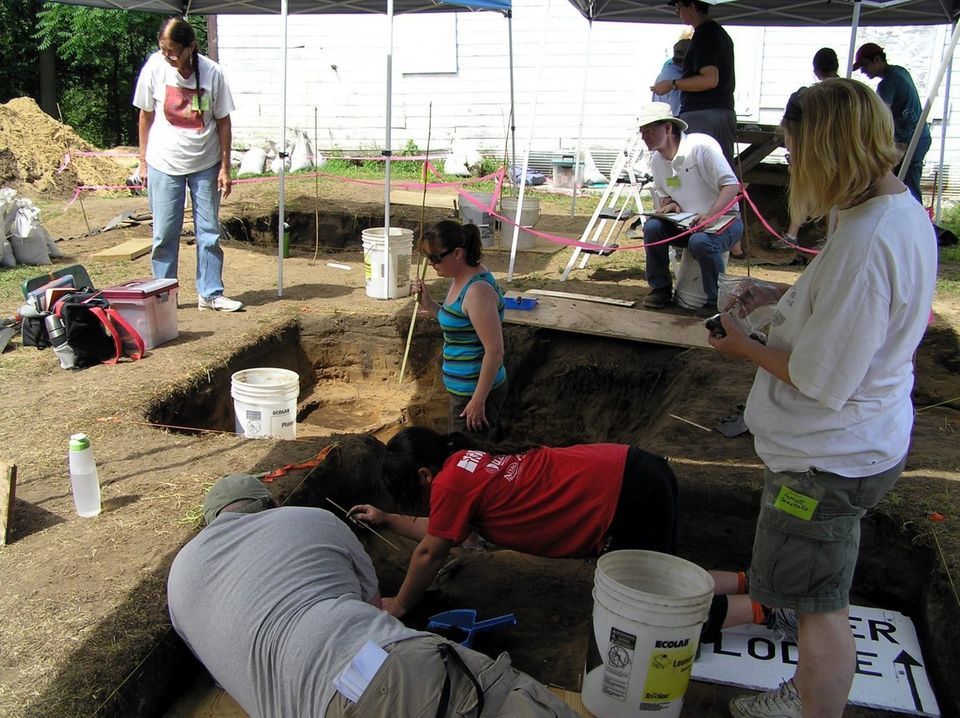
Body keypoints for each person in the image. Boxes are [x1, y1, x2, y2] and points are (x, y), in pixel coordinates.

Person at [708, 79, 936, 718]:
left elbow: (821, 377)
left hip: (827, 460)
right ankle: (810, 685)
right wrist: (780, 301)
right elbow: (854, 322)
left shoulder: (867, 245)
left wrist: (742, 346)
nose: (795, 164)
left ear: (828, 150)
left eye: (797, 150)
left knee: (820, 607)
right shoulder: (889, 208)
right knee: (813, 592)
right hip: (858, 441)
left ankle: (813, 707)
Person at [168, 473, 579, 718]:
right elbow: (378, 609)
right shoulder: (308, 517)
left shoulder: (179, 579)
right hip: (373, 662)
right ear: (272, 503)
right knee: (513, 704)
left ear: (211, 525)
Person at [348, 427, 680, 618]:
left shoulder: (449, 483)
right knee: (666, 580)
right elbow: (441, 531)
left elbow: (430, 553)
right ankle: (735, 584)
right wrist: (387, 519)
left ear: (423, 474)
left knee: (653, 603)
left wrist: (402, 603)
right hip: (634, 468)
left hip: (629, 493)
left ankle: (721, 614)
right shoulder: (463, 463)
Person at [133, 17, 244, 313]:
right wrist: (143, 162)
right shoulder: (155, 67)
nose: (167, 56)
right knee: (164, 233)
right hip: (163, 162)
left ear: (190, 47)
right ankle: (162, 295)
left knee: (208, 231)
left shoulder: (212, 73)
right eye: (163, 49)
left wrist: (225, 167)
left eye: (173, 51)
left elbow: (223, 121)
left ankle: (210, 294)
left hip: (205, 163)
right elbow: (145, 115)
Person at [636, 102, 743, 317]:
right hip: (686, 223)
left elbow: (732, 186)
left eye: (648, 130)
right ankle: (661, 288)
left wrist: (711, 216)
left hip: (725, 221)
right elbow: (664, 191)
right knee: (652, 228)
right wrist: (670, 204)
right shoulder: (657, 160)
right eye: (642, 132)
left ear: (667, 128)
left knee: (701, 241)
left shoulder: (701, 146)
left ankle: (714, 300)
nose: (644, 136)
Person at [413, 219, 507, 439]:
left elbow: (495, 351)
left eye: (436, 258)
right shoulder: (460, 278)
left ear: (457, 253)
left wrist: (478, 401)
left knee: (468, 460)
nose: (432, 264)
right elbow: (458, 323)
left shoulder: (477, 292)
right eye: (428, 258)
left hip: (474, 396)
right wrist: (428, 303)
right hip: (465, 392)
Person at [651, 0, 736, 170]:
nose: (678, 12)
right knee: (715, 171)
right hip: (716, 112)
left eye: (679, 7)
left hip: (705, 114)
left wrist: (673, 84)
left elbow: (710, 79)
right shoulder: (715, 33)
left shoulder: (705, 35)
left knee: (700, 171)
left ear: (693, 6)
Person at [854, 42, 932, 204]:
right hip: (920, 137)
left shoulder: (886, 84)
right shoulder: (900, 71)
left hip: (908, 142)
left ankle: (914, 224)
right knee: (906, 186)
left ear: (877, 59)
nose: (863, 71)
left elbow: (880, 119)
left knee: (903, 188)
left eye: (865, 65)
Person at [782, 47, 840, 250]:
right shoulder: (846, 94)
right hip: (829, 154)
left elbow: (791, 129)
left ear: (815, 70)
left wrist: (795, 154)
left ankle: (795, 236)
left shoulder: (808, 97)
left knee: (814, 191)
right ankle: (829, 237)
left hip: (820, 154)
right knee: (830, 194)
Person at [651, 38, 692, 117]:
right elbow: (677, 112)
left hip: (660, 122)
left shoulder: (662, 75)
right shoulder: (679, 80)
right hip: (672, 124)